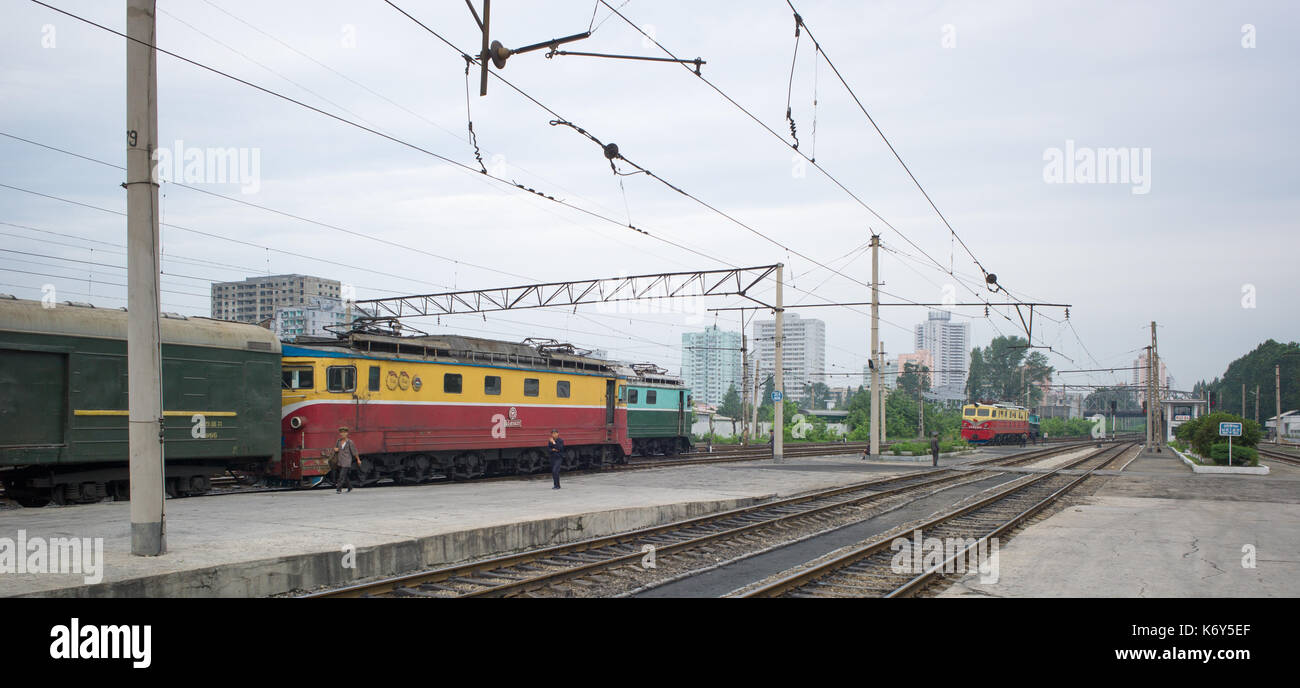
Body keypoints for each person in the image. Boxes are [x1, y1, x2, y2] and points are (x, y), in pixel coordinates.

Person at [334, 426, 360, 494]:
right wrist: (335, 450)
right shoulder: (338, 441)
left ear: (347, 433)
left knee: (341, 475)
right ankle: (350, 487)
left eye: (344, 432)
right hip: (340, 460)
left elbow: (354, 451)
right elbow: (336, 449)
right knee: (344, 476)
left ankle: (338, 489)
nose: (343, 434)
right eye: (341, 432)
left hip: (347, 461)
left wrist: (358, 459)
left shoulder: (350, 442)